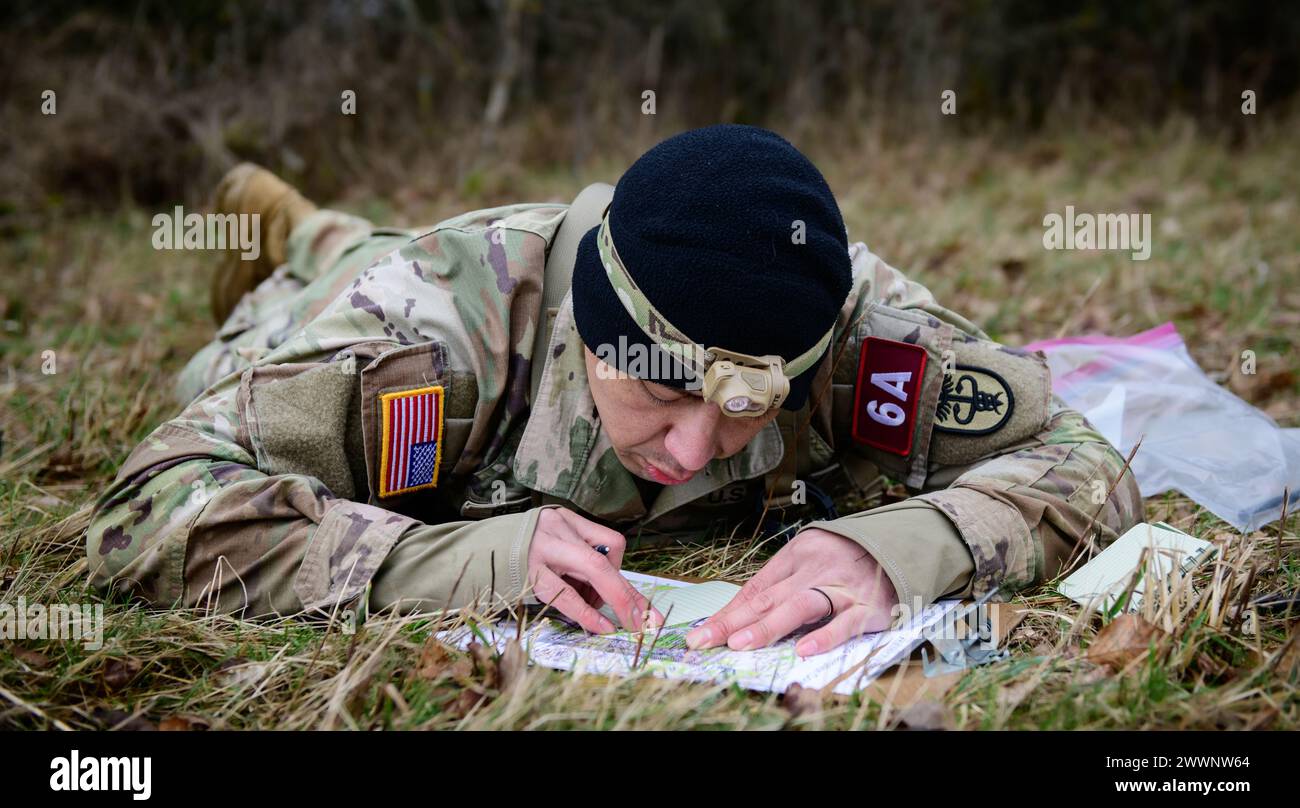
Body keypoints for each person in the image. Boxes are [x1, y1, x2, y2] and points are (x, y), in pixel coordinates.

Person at [86, 125, 1143, 657]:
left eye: (743, 414)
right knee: (306, 288)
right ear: (591, 336)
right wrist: (444, 561)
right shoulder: (430, 327)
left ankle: (318, 223)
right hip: (353, 292)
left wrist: (902, 549)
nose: (689, 453)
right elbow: (146, 509)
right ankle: (297, 231)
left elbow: (1086, 464)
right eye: (660, 397)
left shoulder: (839, 318)